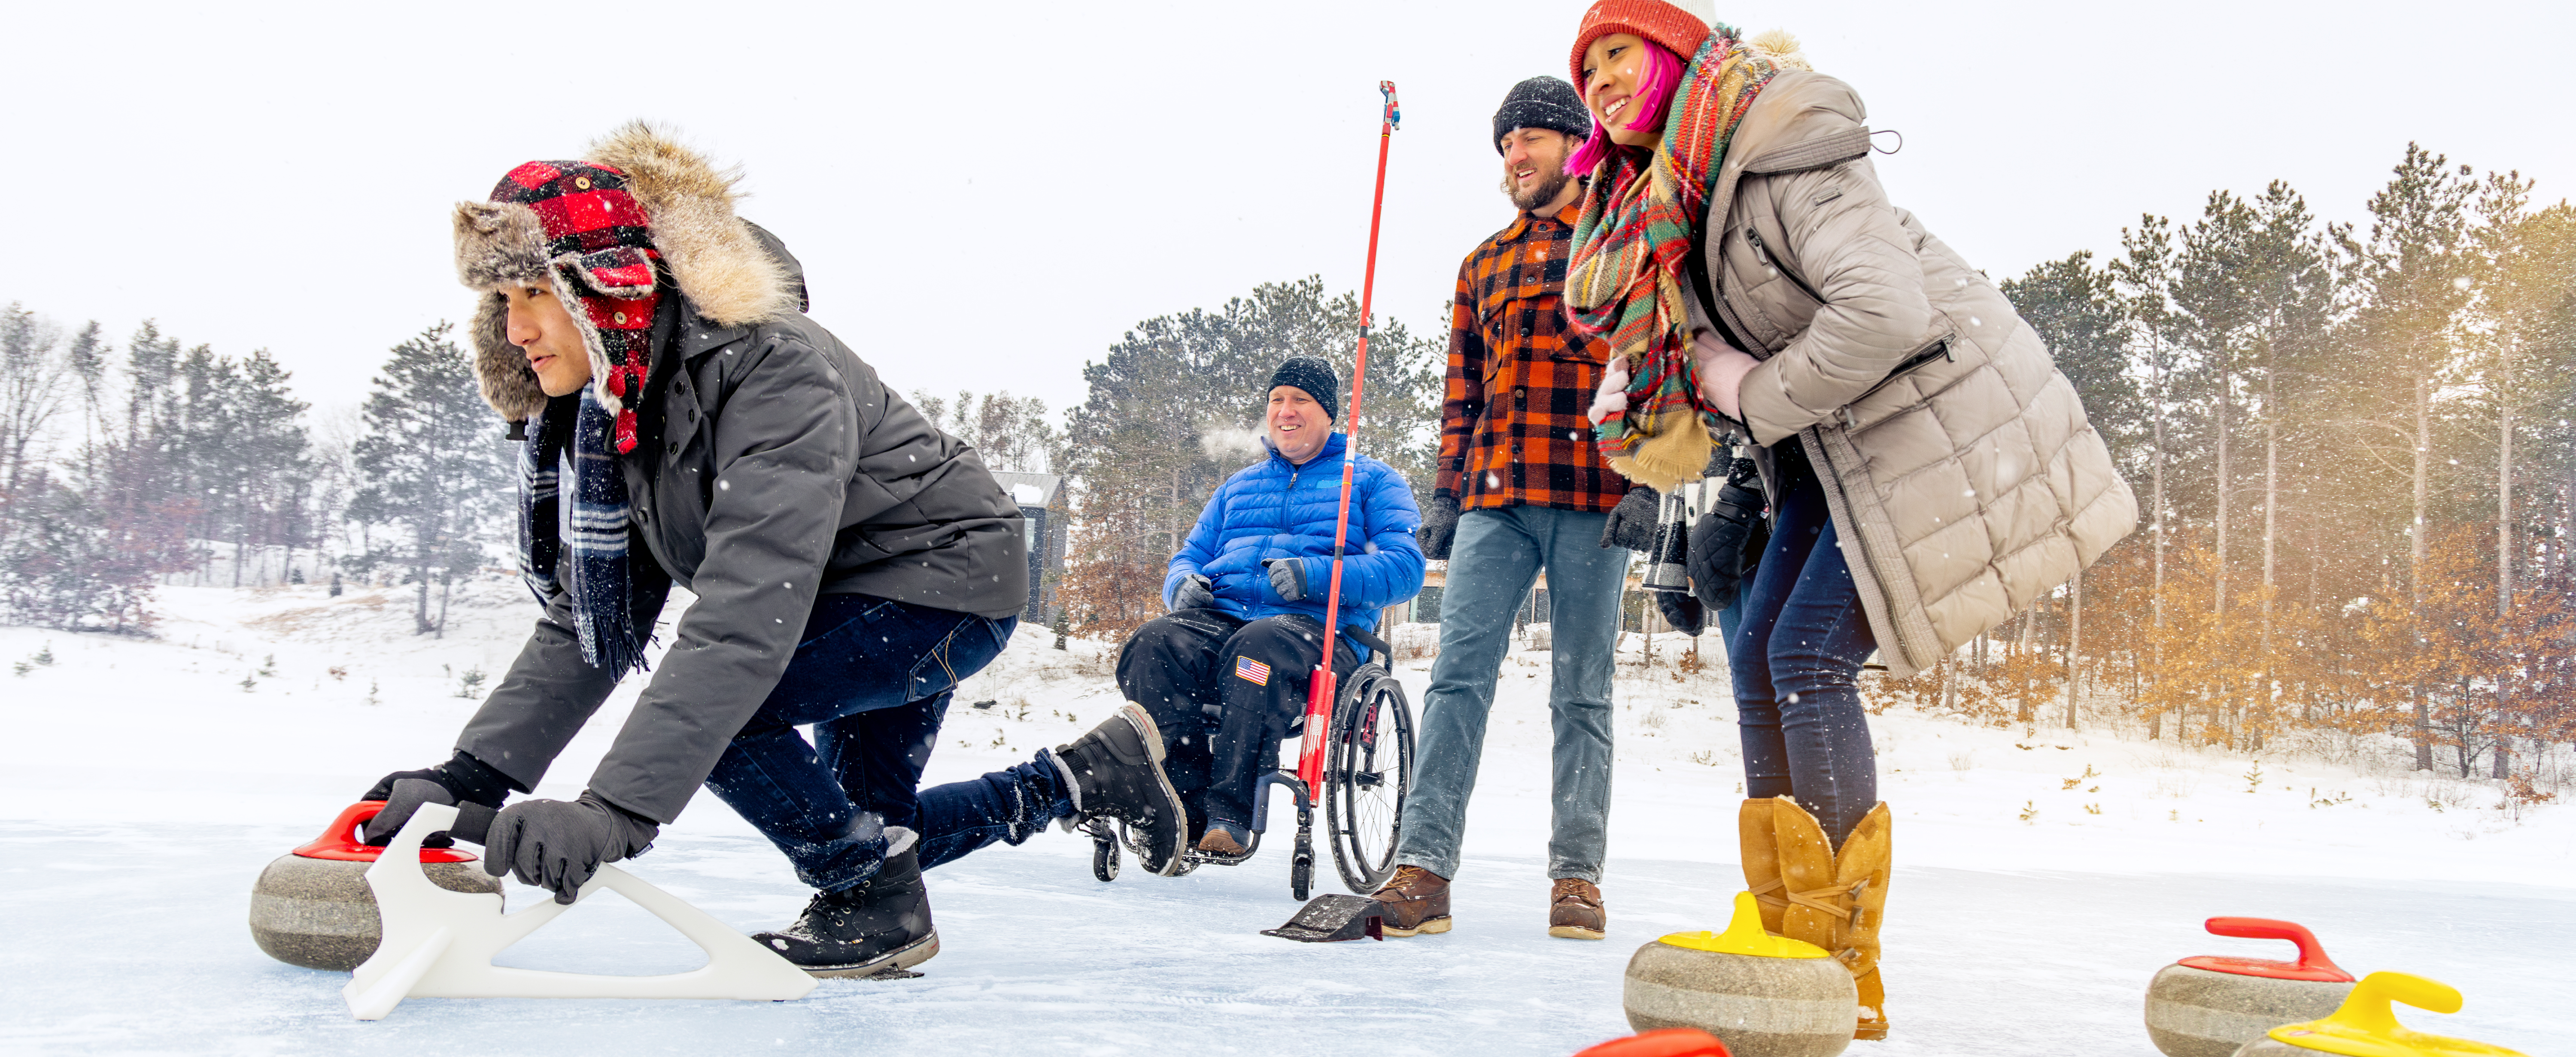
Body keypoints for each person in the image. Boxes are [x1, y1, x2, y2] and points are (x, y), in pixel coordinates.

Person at [354, 123, 1186, 980]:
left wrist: (612, 812)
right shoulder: (621, 409)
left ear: (603, 284)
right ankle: (1081, 775)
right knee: (870, 838)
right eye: (502, 303)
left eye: (534, 291)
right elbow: (595, 623)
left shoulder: (768, 368)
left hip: (939, 582)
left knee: (749, 738)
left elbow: (745, 618)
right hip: (840, 590)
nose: (516, 325)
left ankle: (869, 894)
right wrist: (475, 773)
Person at [1561, 1, 2139, 1039]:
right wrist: (1659, 404)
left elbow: (1884, 312)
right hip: (1836, 449)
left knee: (1807, 654)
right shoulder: (1669, 201)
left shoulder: (1781, 146)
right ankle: (1792, 931)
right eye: (1586, 67)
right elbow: (1714, 354)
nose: (1599, 79)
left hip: (1946, 425)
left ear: (1678, 56)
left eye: (1619, 52)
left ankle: (1842, 961)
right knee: (1757, 658)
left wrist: (1745, 390)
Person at [908, 357, 1425, 867]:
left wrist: (1316, 576)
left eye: (1301, 401)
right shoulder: (1239, 487)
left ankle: (1230, 814)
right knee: (1154, 643)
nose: (1285, 411)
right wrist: (1182, 587)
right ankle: (1181, 803)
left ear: (1329, 413)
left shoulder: (1372, 481)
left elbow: (1405, 569)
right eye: (1276, 401)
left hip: (1318, 633)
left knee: (1256, 651)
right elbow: (1188, 558)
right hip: (1224, 623)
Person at [1370, 75, 1656, 944]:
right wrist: (1447, 491)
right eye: (1503, 145)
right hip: (1496, 497)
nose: (1514, 157)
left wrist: (1651, 481)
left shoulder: (1624, 247)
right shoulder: (1482, 264)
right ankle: (1424, 867)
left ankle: (1578, 877)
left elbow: (1654, 363)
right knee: (1458, 677)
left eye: (1528, 139)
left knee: (1583, 692)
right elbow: (1461, 392)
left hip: (1594, 497)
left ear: (1575, 146)